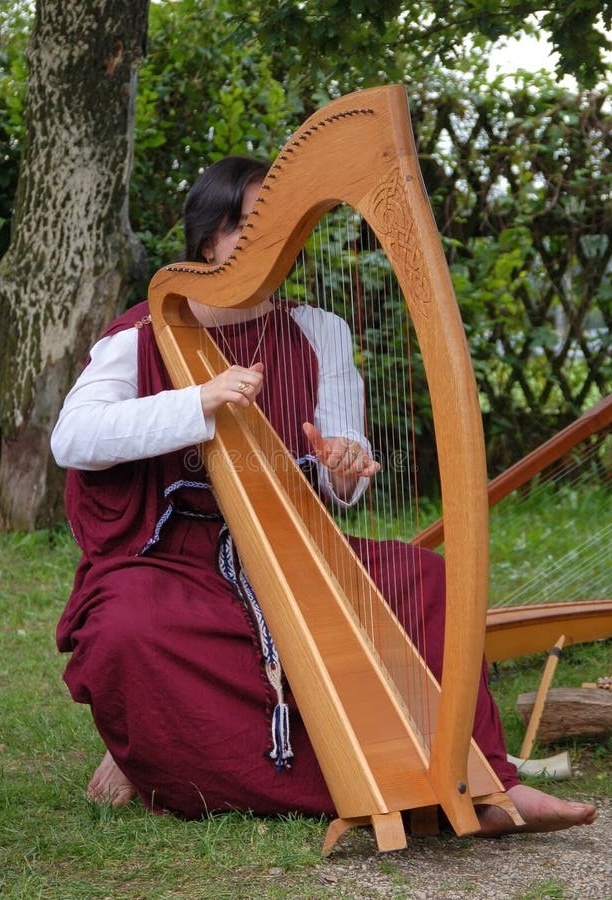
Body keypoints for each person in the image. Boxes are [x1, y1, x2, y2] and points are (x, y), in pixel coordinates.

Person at [52, 156, 596, 838]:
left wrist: (344, 462)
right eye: (246, 227)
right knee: (126, 631)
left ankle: (487, 778)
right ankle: (158, 752)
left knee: (429, 582)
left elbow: (339, 459)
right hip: (168, 553)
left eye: (276, 231)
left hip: (290, 543)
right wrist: (199, 400)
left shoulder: (317, 332)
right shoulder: (141, 335)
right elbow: (72, 439)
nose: (266, 246)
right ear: (208, 240)